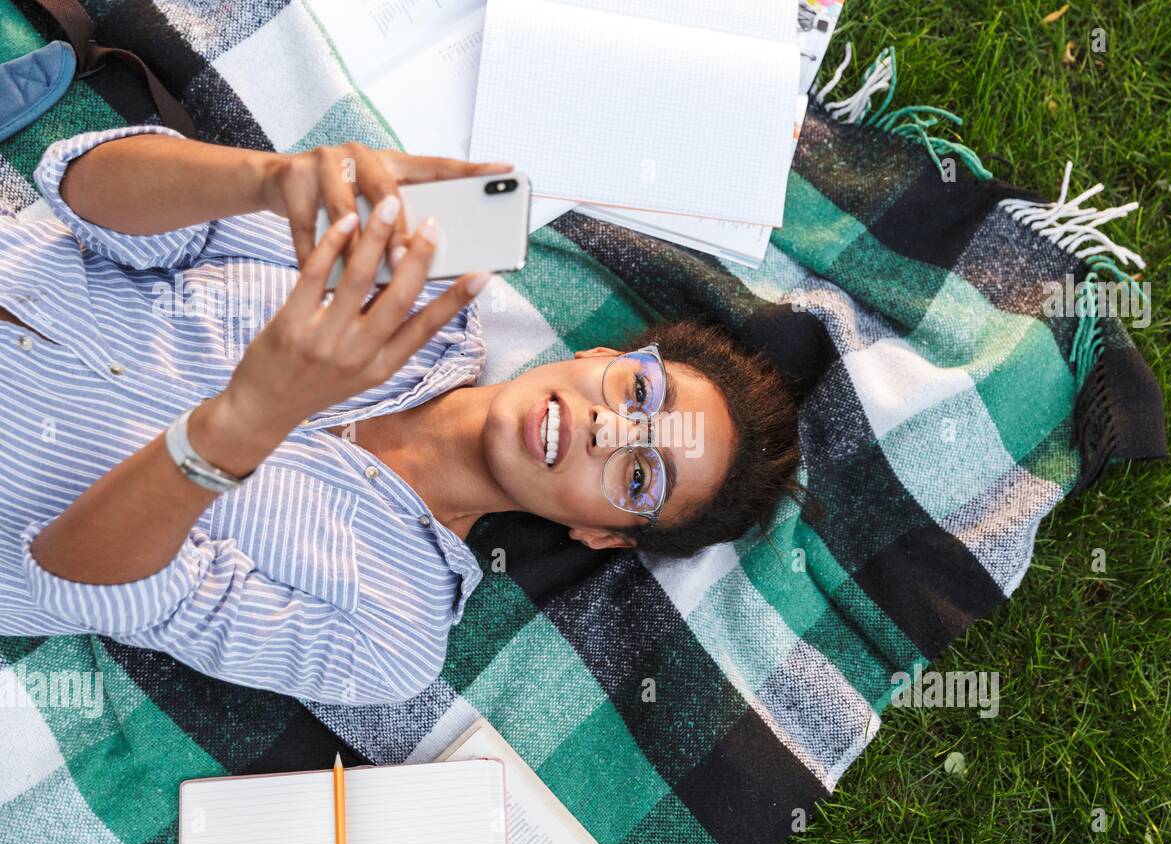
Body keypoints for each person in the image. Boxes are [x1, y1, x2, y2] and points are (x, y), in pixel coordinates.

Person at [0, 125, 799, 705]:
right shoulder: (420, 279)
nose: (609, 429)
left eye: (637, 473)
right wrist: (265, 178)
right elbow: (74, 188)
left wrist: (245, 422)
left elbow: (78, 580)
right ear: (600, 361)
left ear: (604, 535)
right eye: (639, 397)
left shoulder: (391, 638)